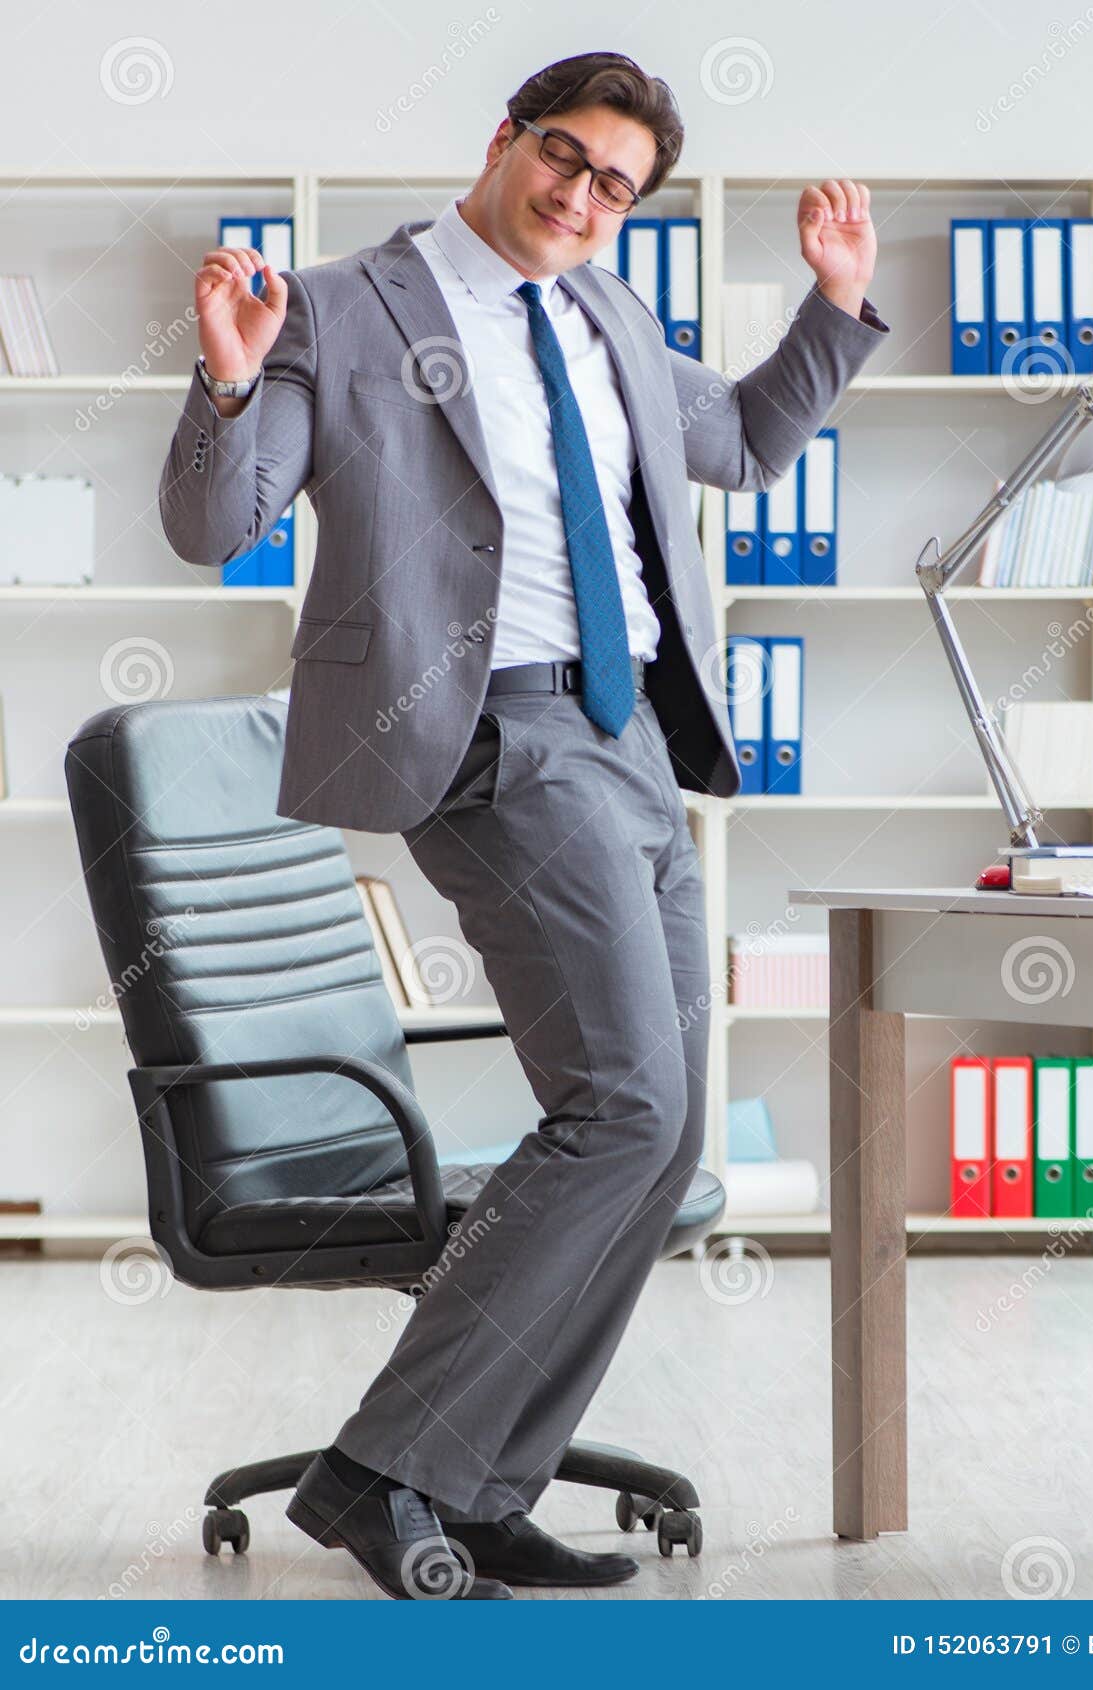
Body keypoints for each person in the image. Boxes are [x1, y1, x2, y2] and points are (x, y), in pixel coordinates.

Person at [159, 49, 888, 1600]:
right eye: (563, 157)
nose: (578, 196)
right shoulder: (350, 305)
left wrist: (834, 308)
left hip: (631, 742)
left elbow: (744, 447)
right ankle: (383, 1468)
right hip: (486, 730)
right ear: (506, 138)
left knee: (668, 1122)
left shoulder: (610, 312)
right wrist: (229, 376)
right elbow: (218, 522)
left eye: (616, 184)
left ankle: (481, 1484)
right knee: (623, 1101)